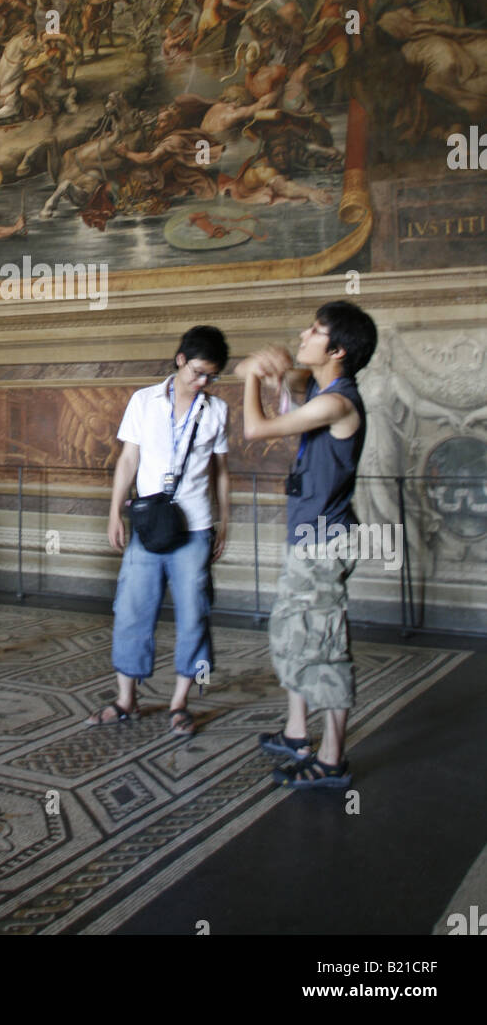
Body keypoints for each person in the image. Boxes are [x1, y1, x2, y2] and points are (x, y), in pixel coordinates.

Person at [236, 300, 378, 789]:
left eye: (315, 331)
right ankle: (299, 733)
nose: (304, 333)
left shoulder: (338, 402)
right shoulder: (322, 387)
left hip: (323, 544)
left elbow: (255, 428)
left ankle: (333, 758)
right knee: (295, 632)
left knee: (324, 644)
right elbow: (287, 376)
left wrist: (255, 377)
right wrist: (263, 365)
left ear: (336, 349)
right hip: (308, 539)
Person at [88, 326, 230, 736]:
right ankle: (125, 699)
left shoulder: (216, 411)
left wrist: (226, 522)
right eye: (198, 372)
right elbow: (128, 460)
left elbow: (222, 472)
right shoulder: (144, 401)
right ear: (181, 359)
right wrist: (115, 512)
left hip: (197, 527)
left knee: (194, 615)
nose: (203, 382)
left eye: (212, 376)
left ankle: (180, 702)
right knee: (132, 610)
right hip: (149, 526)